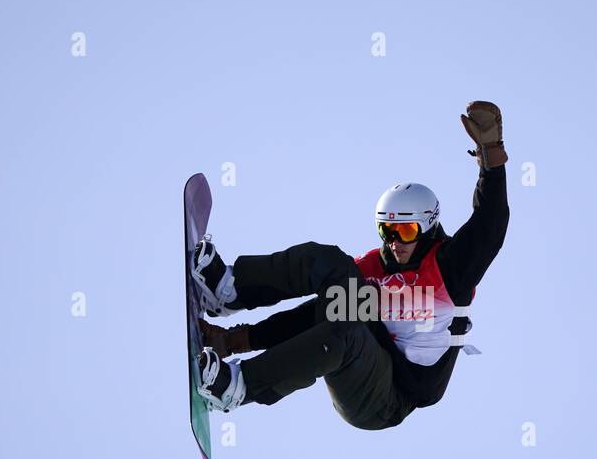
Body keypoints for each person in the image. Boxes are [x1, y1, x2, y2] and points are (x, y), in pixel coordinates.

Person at [190, 100, 510, 431]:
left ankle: (238, 389)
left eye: (405, 230)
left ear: (427, 227)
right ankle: (228, 292)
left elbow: (491, 223)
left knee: (346, 329)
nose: (394, 242)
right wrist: (237, 340)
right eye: (386, 230)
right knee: (329, 265)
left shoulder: (450, 267)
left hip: (384, 398)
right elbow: (314, 315)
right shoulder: (374, 268)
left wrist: (491, 154)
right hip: (362, 347)